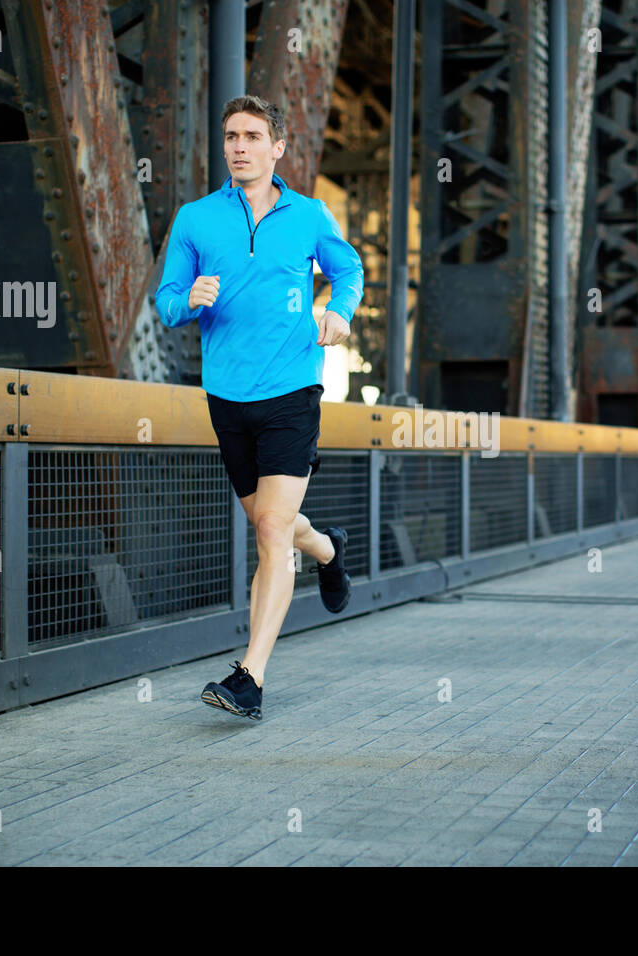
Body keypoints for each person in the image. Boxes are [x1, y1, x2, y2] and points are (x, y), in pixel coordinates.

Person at [156, 94, 364, 721]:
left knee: (272, 528)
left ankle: (250, 676)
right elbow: (165, 304)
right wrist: (190, 296)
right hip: (228, 398)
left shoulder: (309, 215)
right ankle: (328, 549)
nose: (238, 146)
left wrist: (340, 311)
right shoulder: (195, 219)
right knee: (270, 522)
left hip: (293, 390)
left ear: (277, 148)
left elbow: (348, 268)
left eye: (251, 136)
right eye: (230, 136)